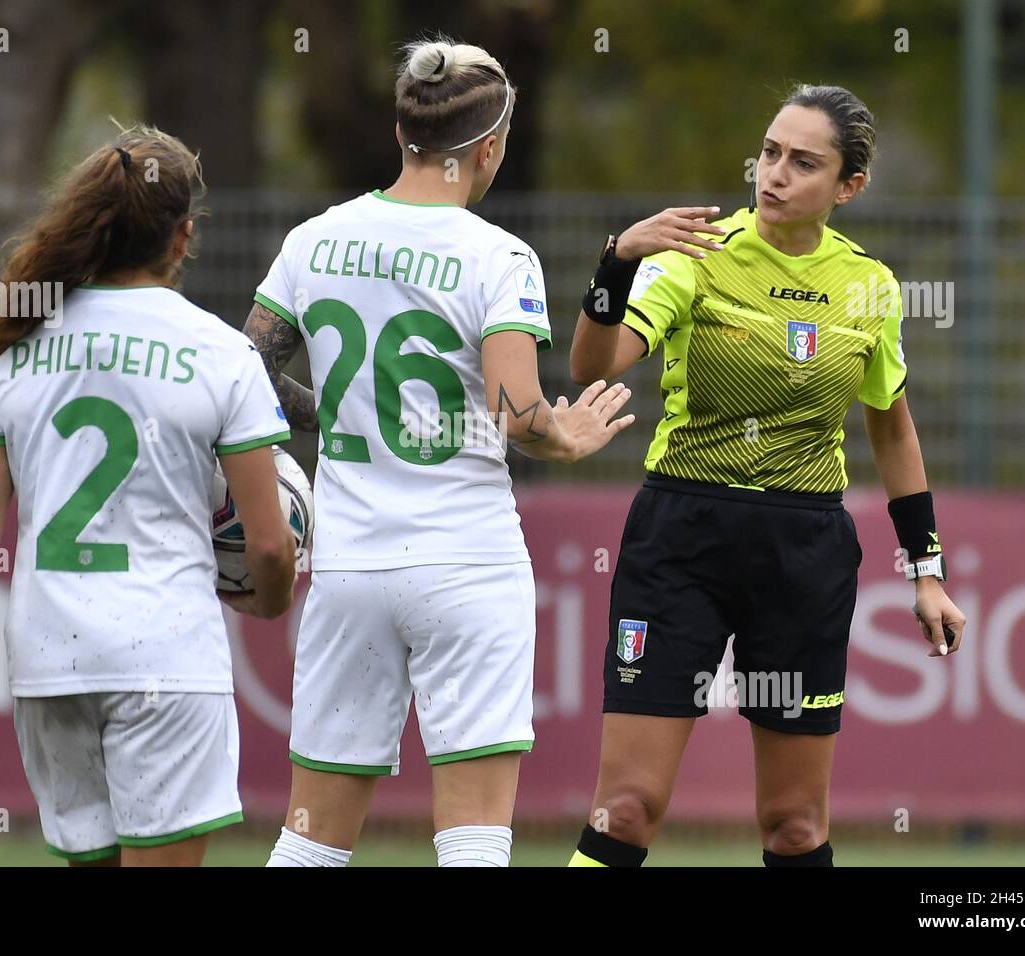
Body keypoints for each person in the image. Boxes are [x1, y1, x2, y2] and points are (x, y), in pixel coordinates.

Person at [243, 37, 633, 867]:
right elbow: (517, 411)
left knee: (309, 840)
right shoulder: (498, 255)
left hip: (350, 569)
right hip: (466, 563)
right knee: (473, 841)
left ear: (400, 131)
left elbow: (250, 373)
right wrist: (565, 436)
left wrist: (340, 413)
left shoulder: (315, 239)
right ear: (489, 147)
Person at [567, 85, 967, 867]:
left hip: (804, 553)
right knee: (625, 810)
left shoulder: (870, 286)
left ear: (847, 187)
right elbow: (591, 365)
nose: (774, 173)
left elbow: (892, 425)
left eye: (804, 162)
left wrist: (928, 572)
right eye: (771, 152)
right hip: (680, 538)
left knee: (793, 827)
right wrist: (617, 261)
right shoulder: (697, 258)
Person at [0, 126, 297, 867]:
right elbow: (267, 542)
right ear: (182, 236)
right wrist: (270, 598)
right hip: (166, 658)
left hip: (48, 664)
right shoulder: (221, 353)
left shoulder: (9, 346)